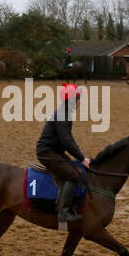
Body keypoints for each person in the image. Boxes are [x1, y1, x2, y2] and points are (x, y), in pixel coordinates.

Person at [36, 83, 90, 224]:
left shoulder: (64, 112)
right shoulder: (63, 115)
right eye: (79, 99)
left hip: (54, 151)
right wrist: (82, 158)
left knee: (77, 171)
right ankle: (63, 213)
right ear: (73, 101)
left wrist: (80, 157)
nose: (80, 102)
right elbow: (67, 141)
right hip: (47, 152)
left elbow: (67, 141)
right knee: (73, 176)